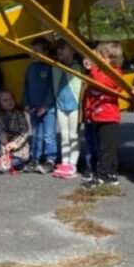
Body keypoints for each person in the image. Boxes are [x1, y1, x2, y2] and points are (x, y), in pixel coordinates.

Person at [81, 41, 126, 187]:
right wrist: (88, 113)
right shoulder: (97, 72)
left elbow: (103, 84)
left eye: (102, 57)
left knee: (106, 148)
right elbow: (90, 96)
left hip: (109, 116)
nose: (99, 60)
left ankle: (105, 175)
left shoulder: (115, 73)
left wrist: (94, 69)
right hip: (97, 116)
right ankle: (110, 174)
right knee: (104, 147)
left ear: (112, 59)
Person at [22, 37, 57, 173]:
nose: (33, 54)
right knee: (36, 134)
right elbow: (26, 87)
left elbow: (51, 89)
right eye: (32, 51)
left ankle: (50, 159)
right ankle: (35, 159)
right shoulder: (29, 69)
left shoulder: (50, 68)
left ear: (46, 52)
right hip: (33, 107)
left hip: (48, 109)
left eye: (37, 51)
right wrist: (26, 103)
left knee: (49, 134)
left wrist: (45, 106)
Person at [51, 39, 84, 179]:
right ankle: (64, 162)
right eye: (58, 49)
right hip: (60, 105)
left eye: (63, 48)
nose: (60, 51)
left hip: (74, 106)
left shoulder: (79, 67)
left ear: (73, 50)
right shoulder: (55, 67)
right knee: (64, 135)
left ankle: (73, 164)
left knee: (73, 135)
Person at [0, 90, 31, 174]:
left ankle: (12, 163)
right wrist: (1, 135)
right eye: (5, 100)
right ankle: (2, 160)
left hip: (18, 143)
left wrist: (15, 143)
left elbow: (24, 130)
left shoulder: (19, 113)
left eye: (11, 99)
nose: (9, 102)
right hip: (5, 141)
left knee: (17, 161)